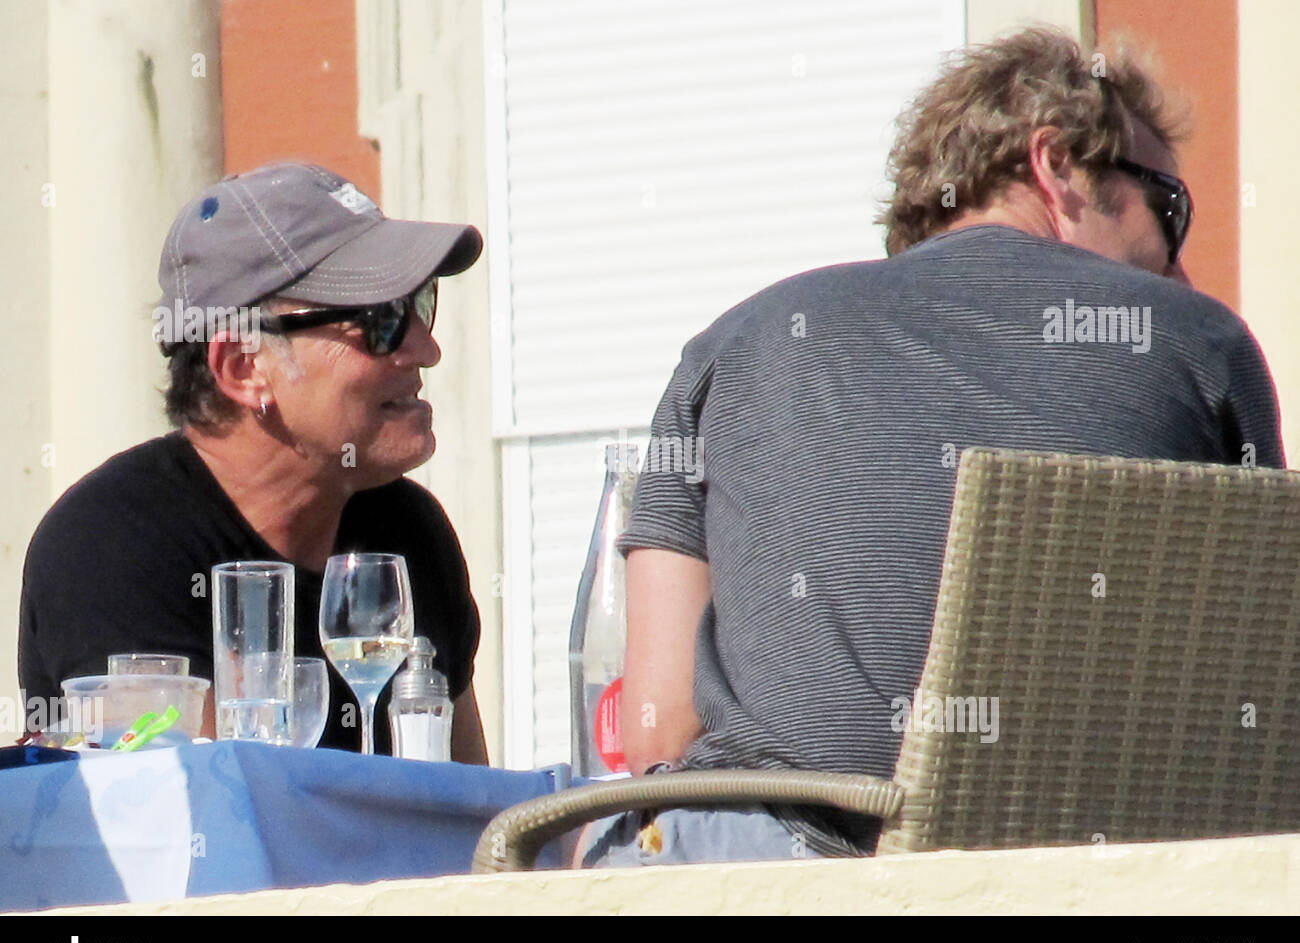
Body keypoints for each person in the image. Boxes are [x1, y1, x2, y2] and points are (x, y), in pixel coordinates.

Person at [579, 27, 1284, 865]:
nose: (1180, 264)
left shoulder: (728, 347)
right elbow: (1262, 700)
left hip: (769, 869)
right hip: (1088, 877)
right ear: (1056, 163)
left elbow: (661, 729)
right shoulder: (1200, 340)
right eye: (1167, 206)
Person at [18, 161, 488, 761]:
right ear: (244, 367)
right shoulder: (111, 545)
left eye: (420, 303)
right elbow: (210, 821)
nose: (427, 348)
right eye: (382, 321)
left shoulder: (408, 532)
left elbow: (479, 830)